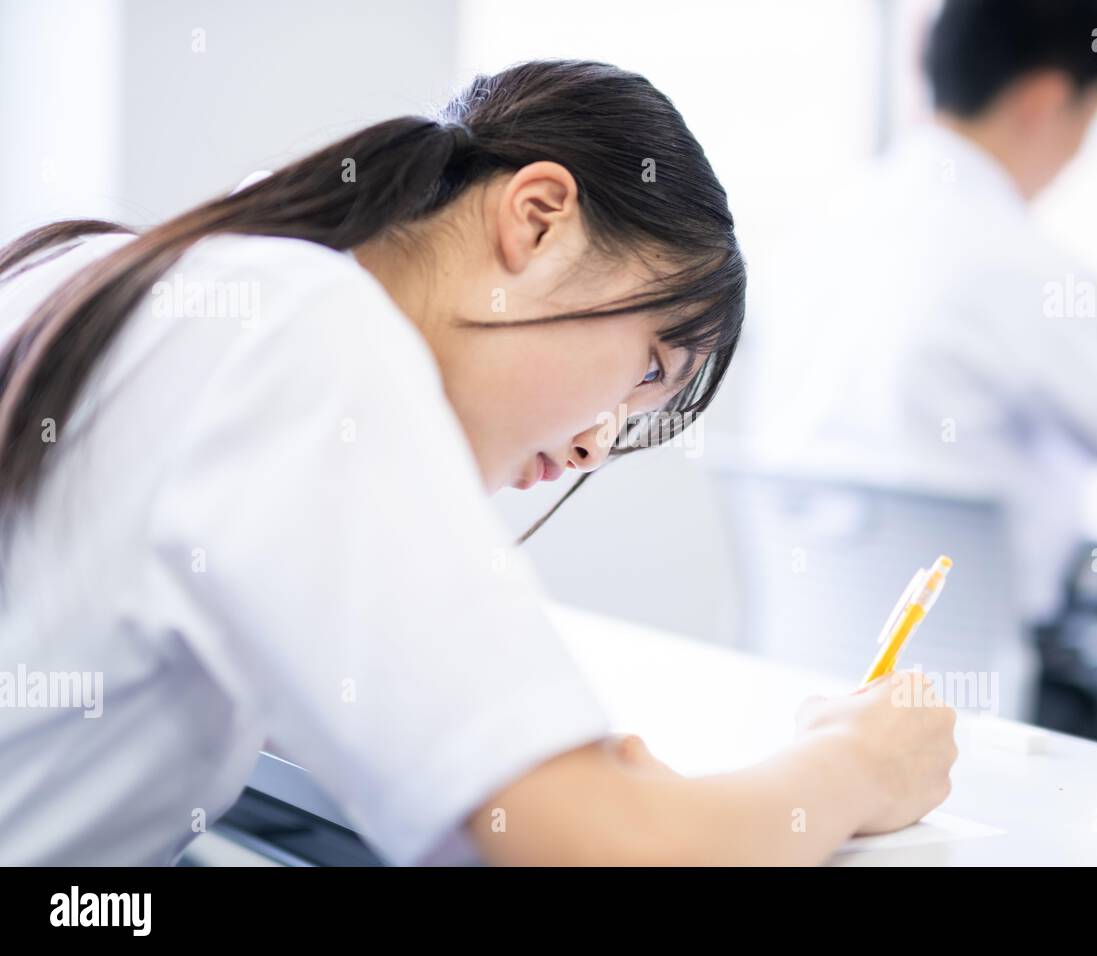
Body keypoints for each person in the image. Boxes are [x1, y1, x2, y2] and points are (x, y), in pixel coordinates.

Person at [0, 60, 956, 865]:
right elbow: (606, 853)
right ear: (538, 219)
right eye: (648, 368)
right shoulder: (303, 331)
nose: (596, 444)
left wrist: (564, 769)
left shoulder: (98, 267)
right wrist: (857, 766)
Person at [751, 0, 1097, 638]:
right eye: (1093, 117)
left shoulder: (818, 238)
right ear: (1044, 99)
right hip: (983, 711)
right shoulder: (1023, 269)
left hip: (802, 679)